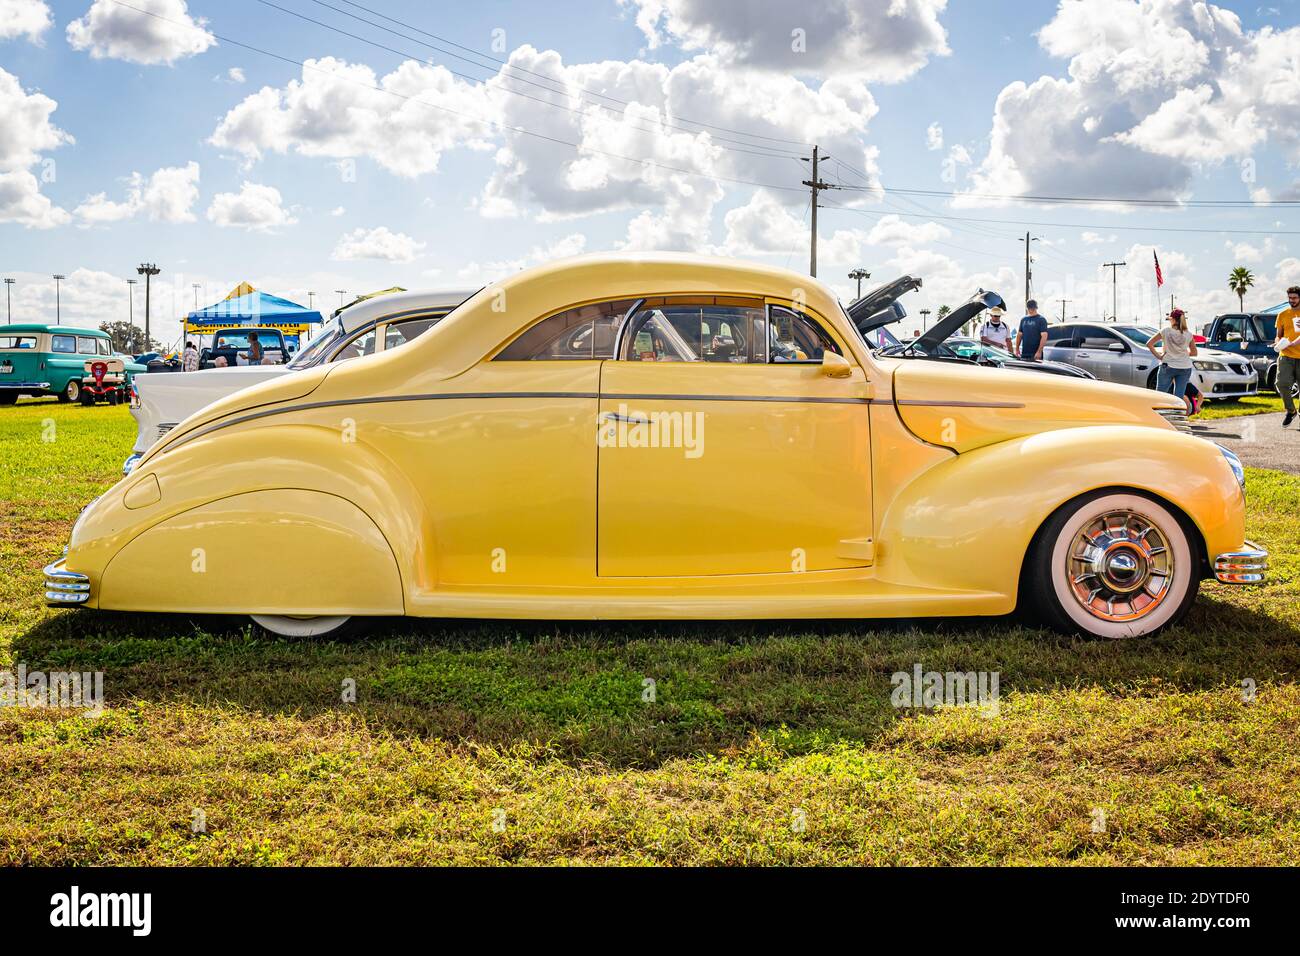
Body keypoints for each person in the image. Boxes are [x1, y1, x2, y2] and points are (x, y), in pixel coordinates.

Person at [1147, 308, 1197, 412]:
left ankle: (1159, 418)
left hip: (1167, 366)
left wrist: (1159, 356)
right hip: (1185, 367)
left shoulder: (1166, 331)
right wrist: (1183, 353)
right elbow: (1194, 353)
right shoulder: (1189, 334)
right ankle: (1177, 419)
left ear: (1173, 319)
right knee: (1178, 398)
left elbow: (1149, 343)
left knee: (1160, 396)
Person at [1274, 285, 1300, 427]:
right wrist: (1278, 342)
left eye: (1295, 298)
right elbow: (1278, 335)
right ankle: (1291, 411)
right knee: (1281, 384)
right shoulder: (1282, 315)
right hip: (1286, 356)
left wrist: (1292, 343)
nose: (1292, 300)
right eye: (1290, 298)